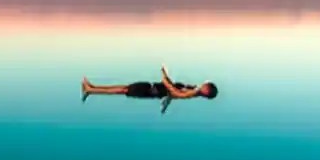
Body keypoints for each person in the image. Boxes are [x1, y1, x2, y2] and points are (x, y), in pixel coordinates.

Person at [82, 65, 218, 113]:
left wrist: (164, 77)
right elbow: (174, 91)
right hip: (151, 87)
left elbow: (174, 92)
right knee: (123, 88)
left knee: (122, 90)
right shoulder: (193, 89)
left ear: (206, 92)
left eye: (208, 86)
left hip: (150, 91)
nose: (206, 84)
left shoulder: (193, 93)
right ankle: (92, 88)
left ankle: (90, 90)